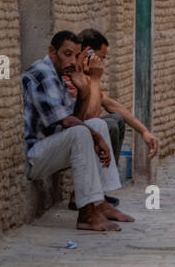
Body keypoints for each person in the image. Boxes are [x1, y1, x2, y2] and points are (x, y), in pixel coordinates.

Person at [21, 30, 134, 233]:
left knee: (96, 124)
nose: (72, 61)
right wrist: (96, 138)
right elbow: (67, 122)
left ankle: (100, 202)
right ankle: (87, 213)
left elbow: (80, 119)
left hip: (51, 150)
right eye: (67, 54)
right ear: (52, 51)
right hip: (34, 156)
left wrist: (83, 94)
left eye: (75, 55)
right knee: (85, 132)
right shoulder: (42, 73)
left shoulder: (60, 75)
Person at [64, 28, 159, 212]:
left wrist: (144, 131)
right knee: (107, 125)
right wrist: (95, 78)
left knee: (116, 120)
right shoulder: (71, 78)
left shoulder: (84, 78)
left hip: (83, 135)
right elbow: (91, 117)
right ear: (88, 53)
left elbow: (113, 106)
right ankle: (88, 194)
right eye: (101, 58)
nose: (101, 64)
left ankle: (98, 190)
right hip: (67, 138)